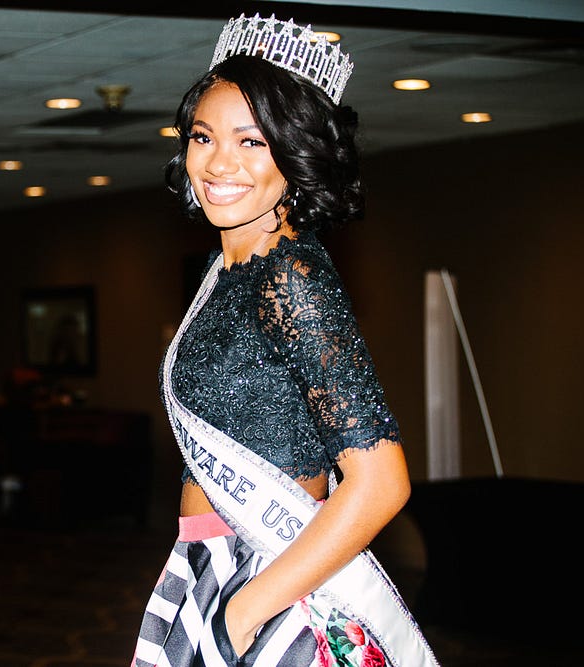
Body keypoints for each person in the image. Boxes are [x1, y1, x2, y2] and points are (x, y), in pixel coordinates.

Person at [132, 14, 437, 667]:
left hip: (272, 574)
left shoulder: (289, 274)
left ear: (295, 155)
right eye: (204, 136)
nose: (218, 162)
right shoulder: (230, 270)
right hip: (211, 558)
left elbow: (381, 480)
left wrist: (246, 610)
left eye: (252, 143)